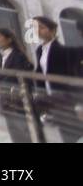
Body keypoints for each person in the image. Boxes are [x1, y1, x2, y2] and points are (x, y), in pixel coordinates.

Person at [31, 15, 82, 143]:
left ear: (52, 30)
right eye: (35, 28)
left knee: (71, 131)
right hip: (49, 96)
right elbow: (40, 73)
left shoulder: (62, 51)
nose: (38, 31)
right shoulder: (39, 50)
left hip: (64, 97)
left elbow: (73, 75)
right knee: (62, 129)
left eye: (41, 27)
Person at [0, 27, 35, 143]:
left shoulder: (19, 56)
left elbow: (17, 76)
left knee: (22, 131)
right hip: (5, 99)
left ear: (9, 39)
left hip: (16, 99)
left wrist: (2, 86)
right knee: (13, 131)